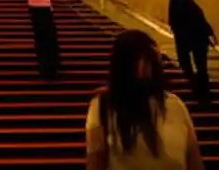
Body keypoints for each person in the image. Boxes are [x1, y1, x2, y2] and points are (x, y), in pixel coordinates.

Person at [86, 30, 205, 170]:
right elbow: (96, 162)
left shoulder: (174, 105)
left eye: (151, 60)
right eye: (142, 61)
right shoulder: (104, 107)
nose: (150, 67)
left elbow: (193, 159)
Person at [168, 0, 216, 103]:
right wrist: (211, 36)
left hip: (184, 40)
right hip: (199, 39)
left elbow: (173, 24)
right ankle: (203, 93)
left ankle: (195, 87)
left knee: (187, 66)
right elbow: (202, 21)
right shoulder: (191, 5)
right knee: (201, 67)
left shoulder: (174, 7)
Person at [17, 0, 60, 79]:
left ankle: (43, 65)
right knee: (50, 37)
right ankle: (52, 65)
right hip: (45, 7)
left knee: (39, 37)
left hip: (33, 8)